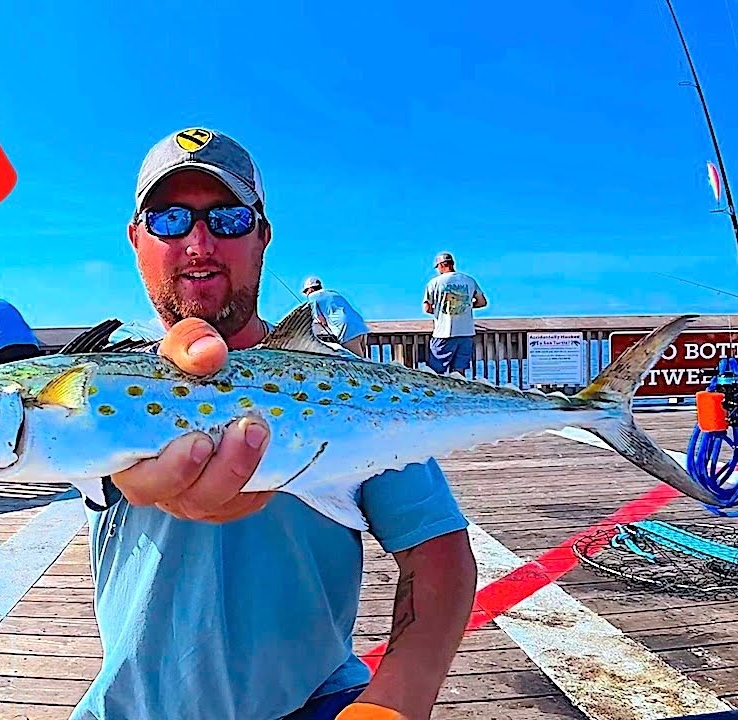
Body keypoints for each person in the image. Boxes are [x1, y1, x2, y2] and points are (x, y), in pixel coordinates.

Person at [70, 127, 476, 720]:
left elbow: (437, 549)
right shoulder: (99, 382)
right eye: (169, 219)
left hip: (317, 701)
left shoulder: (344, 386)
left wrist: (394, 702)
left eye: (228, 219)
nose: (199, 243)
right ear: (136, 238)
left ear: (262, 235)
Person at [422, 252, 486, 377]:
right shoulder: (469, 280)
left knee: (436, 373)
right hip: (466, 333)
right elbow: (482, 302)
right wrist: (465, 306)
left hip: (443, 333)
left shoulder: (434, 283)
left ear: (441, 265)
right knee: (459, 373)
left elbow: (427, 308)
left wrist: (440, 309)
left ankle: (439, 390)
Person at [302, 275, 371, 357]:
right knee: (363, 357)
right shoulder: (333, 293)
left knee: (356, 360)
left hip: (346, 329)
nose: (306, 294)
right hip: (360, 325)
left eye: (306, 291)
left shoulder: (312, 297)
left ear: (311, 289)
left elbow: (320, 319)